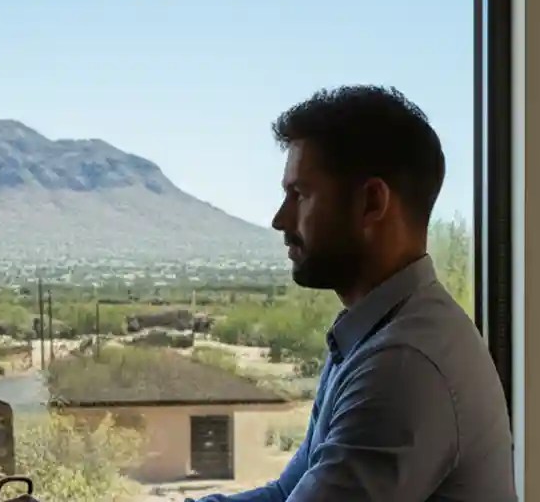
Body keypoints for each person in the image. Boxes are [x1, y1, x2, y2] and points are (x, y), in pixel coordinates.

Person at [194, 86, 515, 502]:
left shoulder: (403, 363)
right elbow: (284, 493)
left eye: (300, 195)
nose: (280, 219)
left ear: (371, 202)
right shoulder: (376, 333)